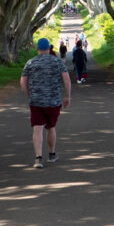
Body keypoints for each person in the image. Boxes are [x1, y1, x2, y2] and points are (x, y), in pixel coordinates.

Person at [20, 37, 70, 168]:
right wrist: (67, 96)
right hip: (53, 101)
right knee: (50, 127)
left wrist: (28, 95)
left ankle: (38, 159)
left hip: (36, 101)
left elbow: (22, 82)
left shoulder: (30, 63)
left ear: (37, 49)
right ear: (49, 48)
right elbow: (66, 80)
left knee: (37, 129)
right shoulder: (58, 62)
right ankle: (52, 154)